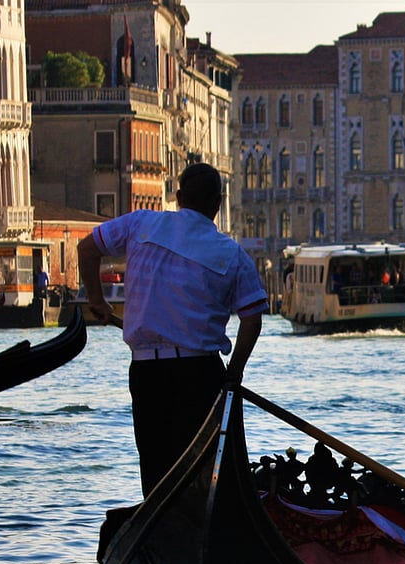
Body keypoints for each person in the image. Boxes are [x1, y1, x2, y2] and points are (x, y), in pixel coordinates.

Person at [78, 162, 268, 499]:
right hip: (200, 374)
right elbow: (252, 319)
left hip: (147, 371)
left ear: (178, 197)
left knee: (157, 468)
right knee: (209, 469)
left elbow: (87, 248)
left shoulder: (141, 223)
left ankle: (163, 529)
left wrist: (98, 300)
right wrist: (234, 374)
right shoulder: (232, 254)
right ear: (218, 204)